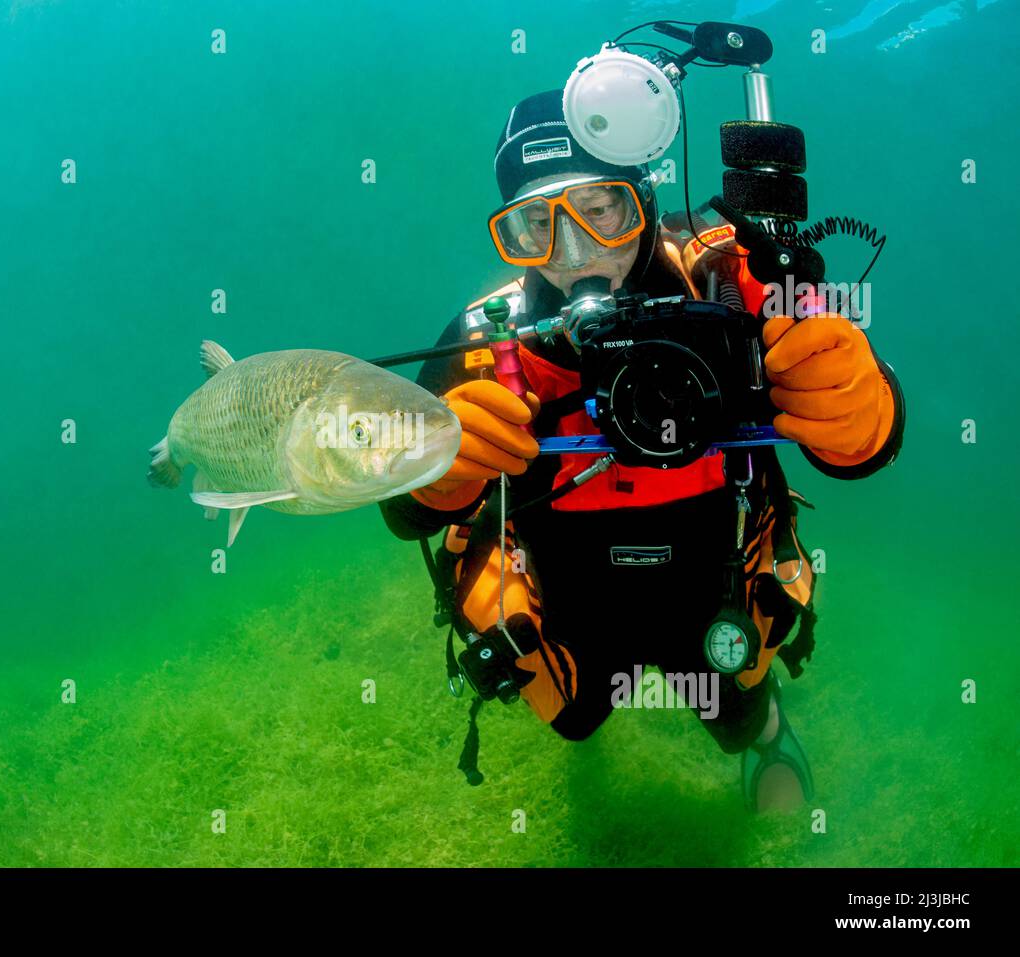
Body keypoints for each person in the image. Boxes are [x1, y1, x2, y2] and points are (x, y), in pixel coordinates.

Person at [378, 89, 905, 812]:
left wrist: (866, 410)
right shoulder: (485, 340)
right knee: (573, 718)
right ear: (513, 233)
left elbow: (854, 426)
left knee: (740, 711)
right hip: (568, 587)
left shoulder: (726, 280)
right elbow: (404, 515)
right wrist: (434, 475)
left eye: (602, 208)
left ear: (645, 201)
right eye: (537, 224)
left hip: (710, 576)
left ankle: (767, 730)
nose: (573, 253)